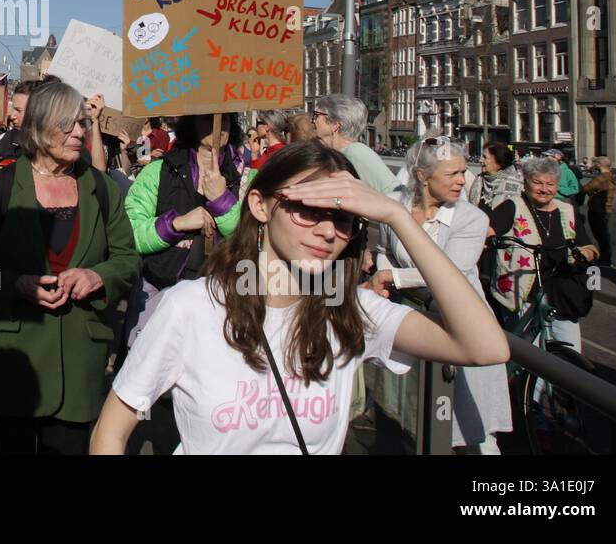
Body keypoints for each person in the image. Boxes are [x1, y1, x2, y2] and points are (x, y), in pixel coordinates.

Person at [91, 141, 511, 455]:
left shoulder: (350, 309)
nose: (328, 231)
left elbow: (485, 347)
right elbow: (111, 430)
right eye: (308, 209)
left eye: (344, 218)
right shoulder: (192, 307)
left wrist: (397, 216)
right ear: (259, 205)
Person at [0, 80, 139, 454]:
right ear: (39, 126)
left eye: (83, 124)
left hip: (77, 364)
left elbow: (127, 261)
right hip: (13, 364)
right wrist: (14, 283)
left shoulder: (102, 189)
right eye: (68, 124)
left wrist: (97, 276)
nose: (79, 132)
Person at [367, 137, 512, 453]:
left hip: (462, 320)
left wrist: (392, 277)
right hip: (420, 321)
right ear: (422, 175)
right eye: (452, 174)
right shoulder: (396, 205)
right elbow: (384, 249)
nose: (463, 180)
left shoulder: (471, 219)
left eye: (463, 172)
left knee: (473, 426)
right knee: (418, 418)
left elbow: (451, 272)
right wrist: (383, 278)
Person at [123, 113, 244, 346]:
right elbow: (130, 234)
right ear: (192, 124)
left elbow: (255, 242)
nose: (219, 126)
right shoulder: (159, 171)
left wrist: (222, 202)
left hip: (223, 300)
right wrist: (175, 224)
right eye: (207, 118)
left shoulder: (247, 177)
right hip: (160, 290)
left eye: (225, 119)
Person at [489, 156, 601, 350]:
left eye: (550, 184)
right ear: (525, 183)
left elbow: (591, 248)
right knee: (532, 359)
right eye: (537, 182)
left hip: (563, 294)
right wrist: (489, 238)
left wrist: (585, 253)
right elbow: (489, 229)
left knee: (571, 354)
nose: (544, 189)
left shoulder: (567, 210)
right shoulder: (513, 206)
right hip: (523, 293)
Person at [312, 94, 399, 194]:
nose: (313, 120)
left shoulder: (356, 152)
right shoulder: (337, 153)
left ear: (334, 125)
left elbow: (394, 192)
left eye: (317, 115)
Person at [468, 141, 525, 214]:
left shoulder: (512, 186)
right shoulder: (479, 180)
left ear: (499, 162)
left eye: (485, 157)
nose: (480, 160)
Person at [0, 80, 38, 163]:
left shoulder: (50, 150)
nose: (12, 116)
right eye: (14, 109)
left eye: (18, 110)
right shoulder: (7, 137)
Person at [582, 157, 616, 268]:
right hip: (607, 208)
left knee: (601, 235)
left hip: (597, 209)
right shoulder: (612, 176)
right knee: (603, 235)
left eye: (595, 163)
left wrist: (592, 193)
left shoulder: (601, 177)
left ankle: (605, 259)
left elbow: (586, 188)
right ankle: (606, 258)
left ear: (599, 164)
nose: (593, 165)